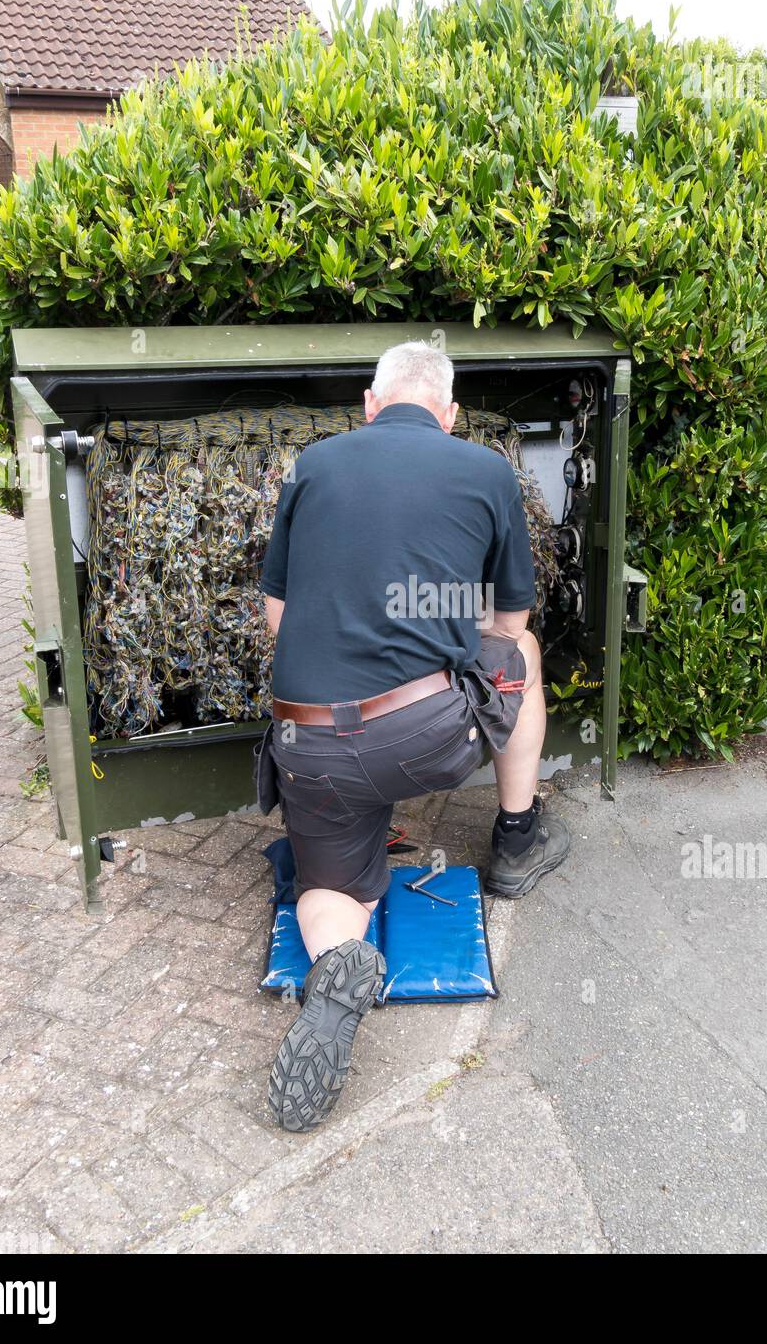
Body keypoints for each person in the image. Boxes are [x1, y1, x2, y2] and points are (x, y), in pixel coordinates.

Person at [260, 340, 571, 1132]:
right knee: (524, 656)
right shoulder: (487, 471)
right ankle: (516, 838)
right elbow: (507, 625)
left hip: (310, 746)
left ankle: (338, 965)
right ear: (452, 415)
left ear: (369, 403)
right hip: (425, 736)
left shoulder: (314, 465)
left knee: (330, 889)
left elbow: (278, 617)